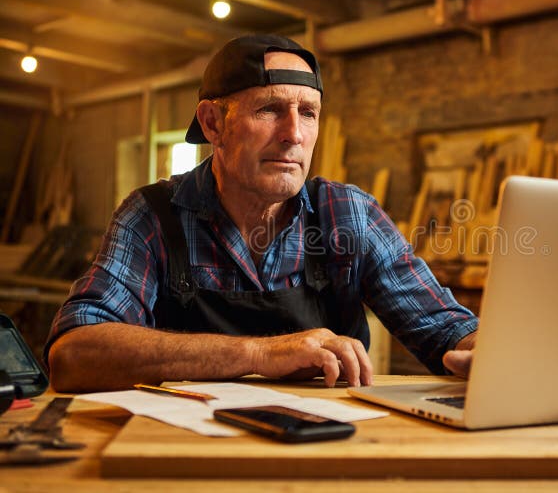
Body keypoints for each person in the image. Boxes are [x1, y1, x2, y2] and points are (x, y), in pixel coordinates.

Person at [45, 34, 477, 392]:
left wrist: (486, 353)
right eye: (269, 109)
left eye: (308, 113)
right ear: (213, 123)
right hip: (187, 452)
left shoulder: (348, 216)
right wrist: (259, 353)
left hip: (324, 446)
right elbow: (74, 354)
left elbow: (445, 329)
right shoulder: (153, 217)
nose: (294, 134)